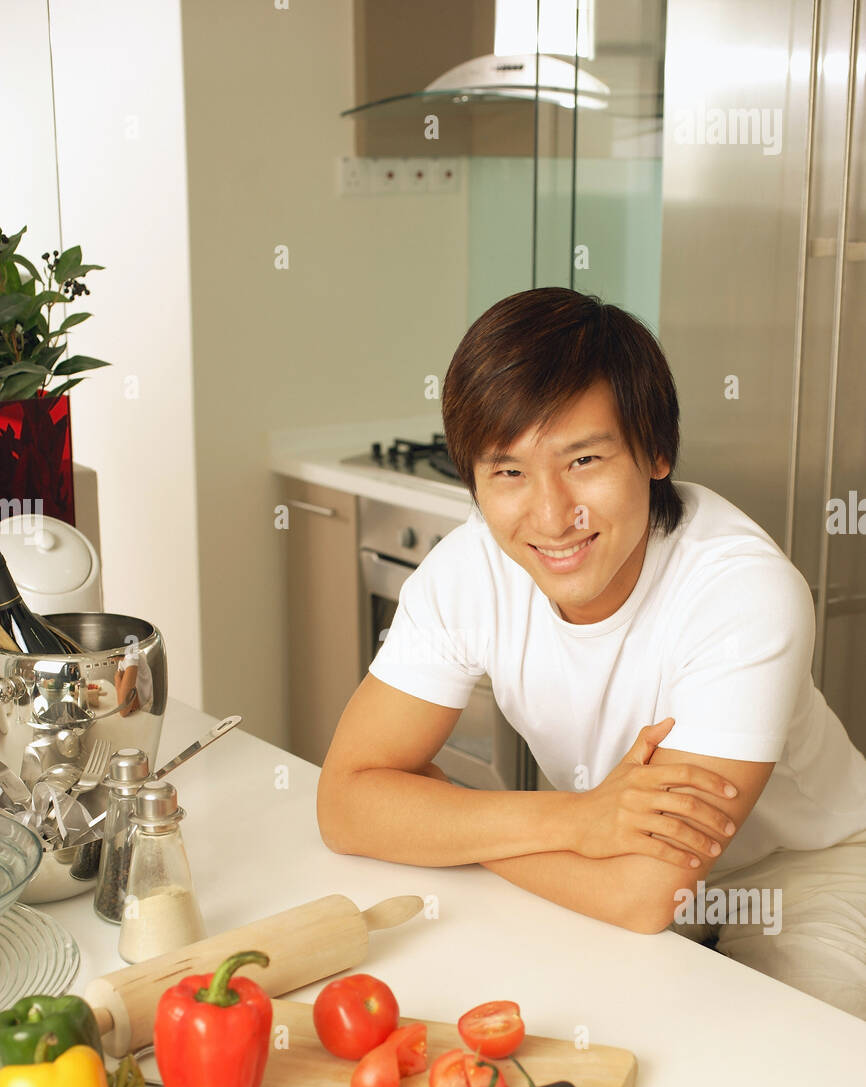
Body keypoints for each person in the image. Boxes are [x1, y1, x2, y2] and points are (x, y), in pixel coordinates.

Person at [317, 288, 866, 1022]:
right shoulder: (467, 570)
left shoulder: (742, 593)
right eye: (507, 471)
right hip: (596, 853)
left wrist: (445, 819)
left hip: (803, 875)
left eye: (582, 459)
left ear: (656, 451)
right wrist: (574, 823)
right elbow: (345, 804)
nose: (549, 515)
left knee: (792, 1072)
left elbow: (643, 895)